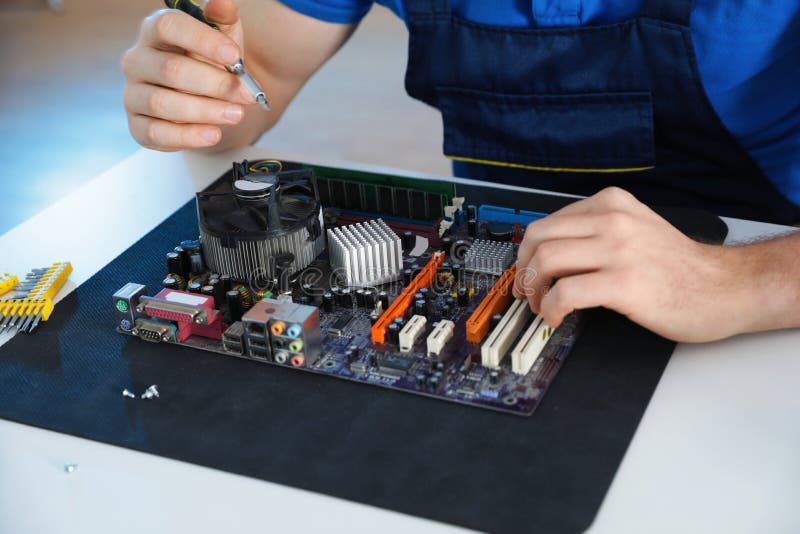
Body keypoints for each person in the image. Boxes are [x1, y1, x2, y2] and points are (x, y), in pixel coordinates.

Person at [121, 0, 800, 343]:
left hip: (759, 309)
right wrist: (195, 86)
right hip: (495, 276)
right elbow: (262, 68)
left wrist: (735, 280)